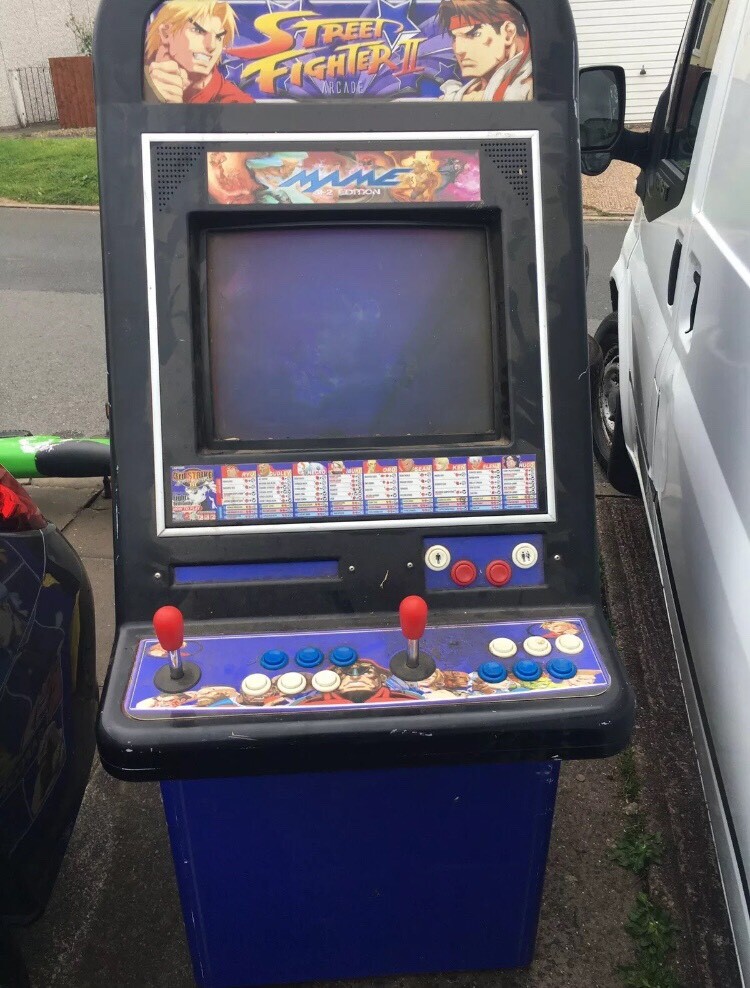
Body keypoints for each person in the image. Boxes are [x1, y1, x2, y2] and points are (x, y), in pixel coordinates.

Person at [145, 1, 254, 104]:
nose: (212, 45)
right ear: (165, 33)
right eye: (198, 31)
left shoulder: (236, 102)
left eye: (218, 37)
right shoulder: (140, 76)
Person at [437, 0, 533, 103]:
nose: (459, 50)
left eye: (474, 34)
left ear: (508, 33)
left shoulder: (529, 88)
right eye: (454, 38)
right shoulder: (468, 91)